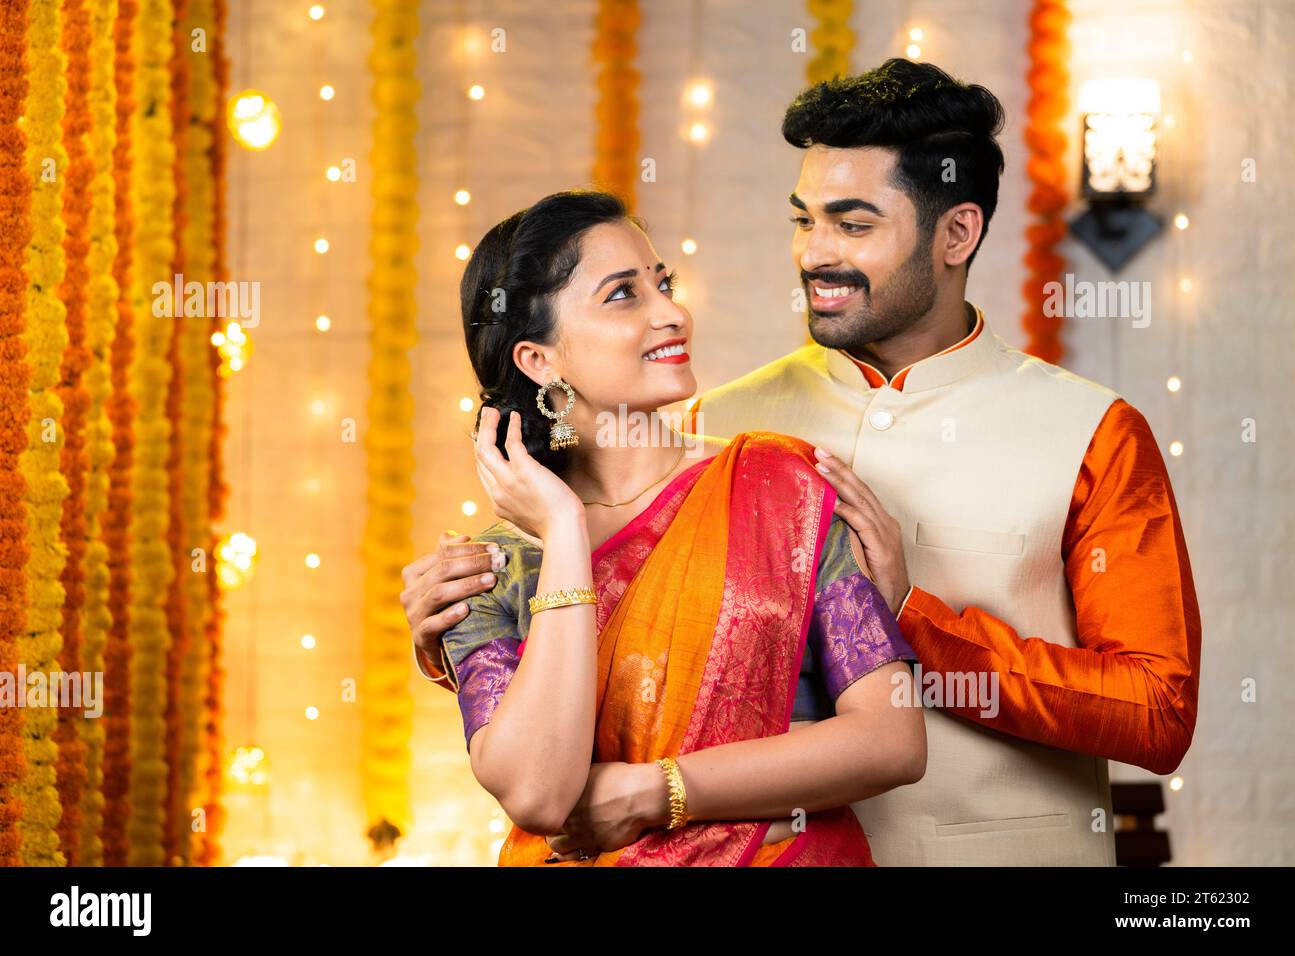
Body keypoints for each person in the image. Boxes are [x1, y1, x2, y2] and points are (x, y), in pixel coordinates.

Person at [407, 58, 1201, 866]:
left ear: (957, 231)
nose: (815, 254)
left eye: (853, 225)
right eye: (803, 220)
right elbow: (641, 641)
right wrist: (465, 628)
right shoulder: (717, 423)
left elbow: (1159, 713)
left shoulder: (1091, 432)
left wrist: (917, 619)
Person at [403, 189, 925, 866]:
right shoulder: (488, 569)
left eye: (663, 284)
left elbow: (891, 739)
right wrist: (562, 531)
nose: (672, 313)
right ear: (540, 360)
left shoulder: (781, 485)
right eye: (624, 295)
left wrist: (660, 791)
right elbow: (538, 795)